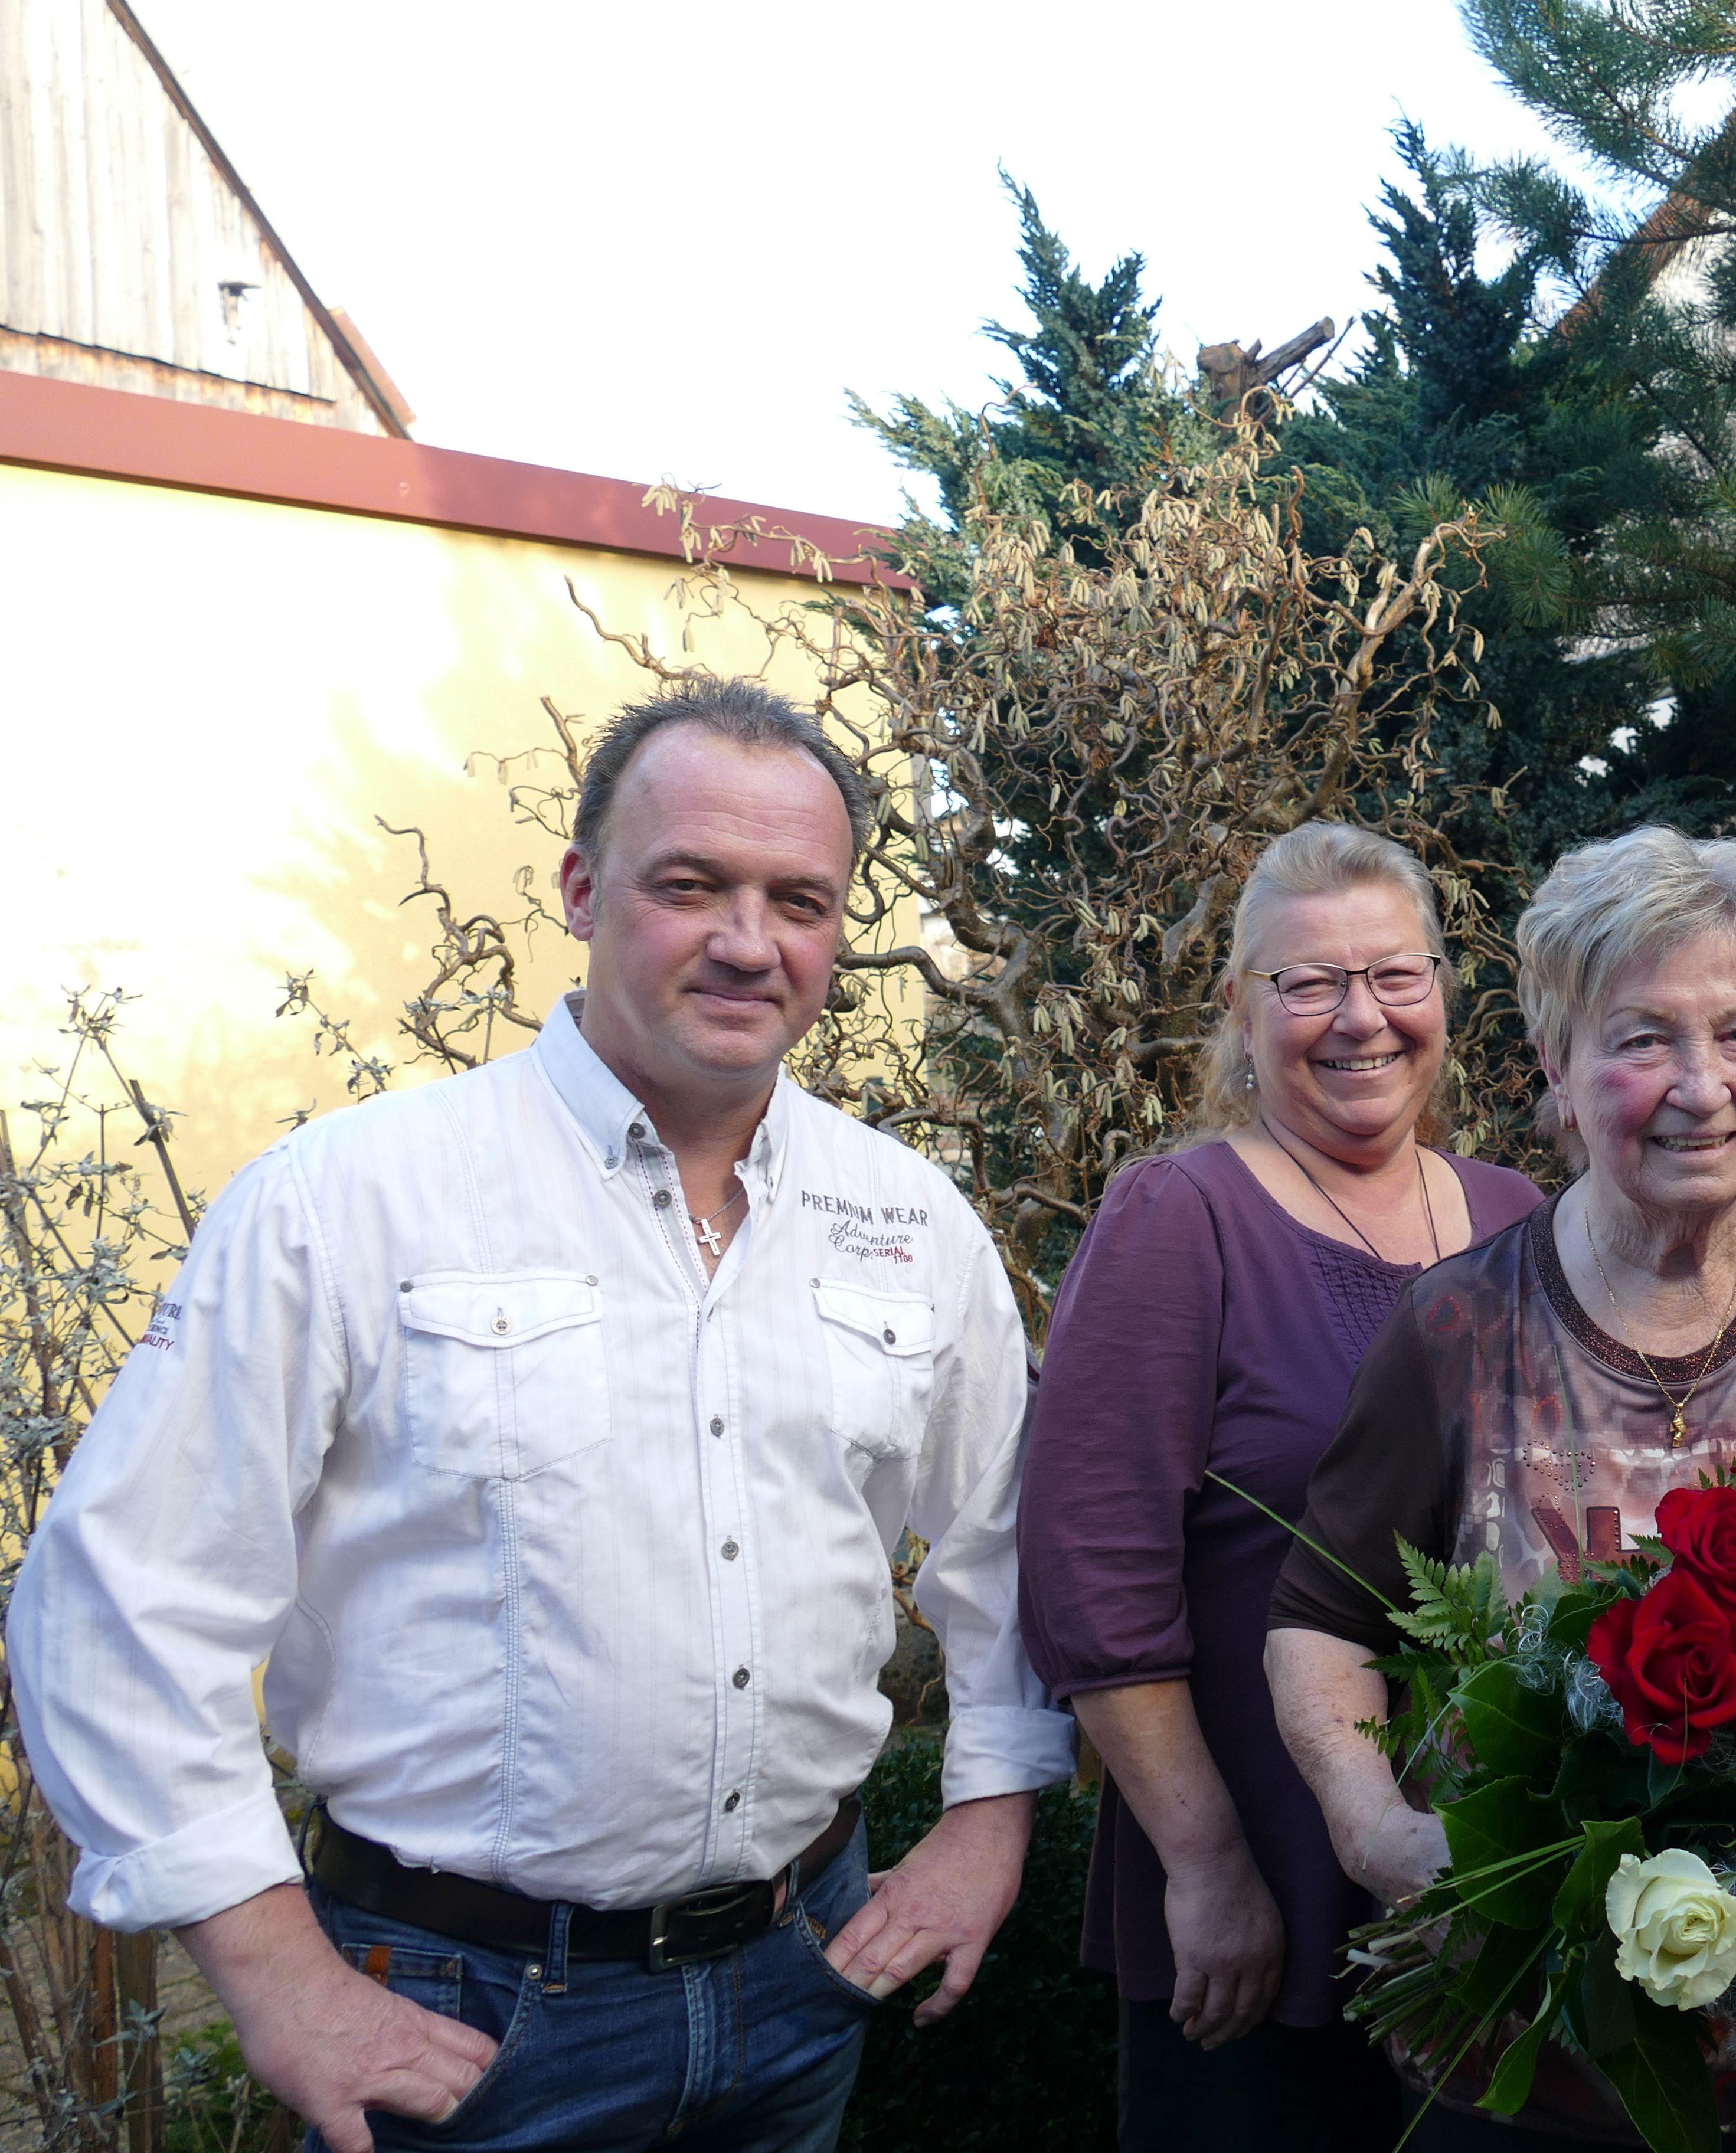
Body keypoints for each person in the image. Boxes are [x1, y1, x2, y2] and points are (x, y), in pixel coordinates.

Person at [6, 680, 1072, 2153]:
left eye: (799, 900)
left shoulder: (908, 1222)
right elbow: (123, 1596)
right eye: (689, 886)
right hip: (464, 2009)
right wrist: (275, 1979)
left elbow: (1006, 1544)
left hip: (802, 1973)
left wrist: (987, 1818)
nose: (748, 942)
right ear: (581, 888)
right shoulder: (354, 1200)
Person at [1266, 824, 1736, 2148]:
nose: (1700, 1087)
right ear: (1557, 1061)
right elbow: (1321, 1619)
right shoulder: (1458, 1327)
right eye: (1642, 1039)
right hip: (1513, 2045)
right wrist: (1377, 1834)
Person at [1018, 823, 1544, 2151]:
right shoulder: (1177, 1220)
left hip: (1496, 1885)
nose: (1359, 1018)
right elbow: (1093, 1575)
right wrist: (1207, 1867)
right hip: (1263, 1881)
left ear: (1443, 992)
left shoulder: (1520, 1218)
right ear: (1243, 1009)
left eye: (1395, 976)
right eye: (1308, 984)